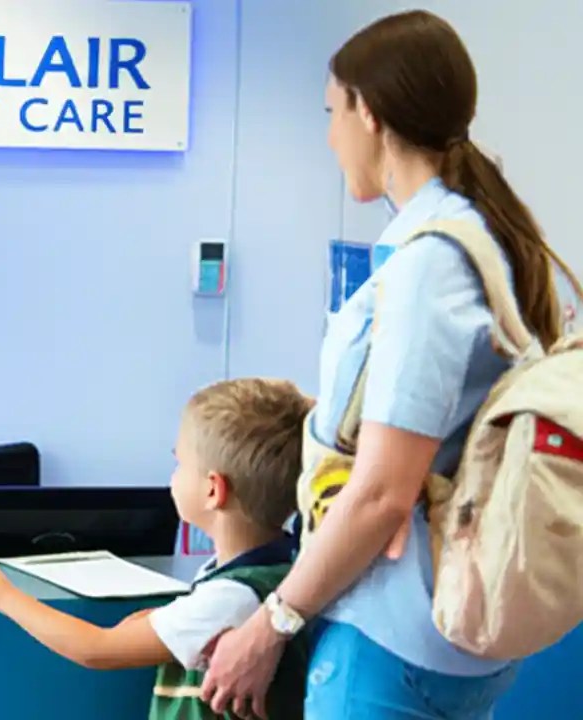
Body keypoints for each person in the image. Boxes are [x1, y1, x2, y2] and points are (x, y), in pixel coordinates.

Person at [199, 11, 576, 718]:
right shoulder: (489, 241)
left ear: (368, 114)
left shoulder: (430, 266)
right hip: (445, 631)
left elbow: (381, 494)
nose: (329, 135)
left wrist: (270, 624)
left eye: (332, 112)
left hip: (390, 634)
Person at [0, 378, 312, 719]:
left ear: (213, 490)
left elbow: (96, 650)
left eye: (180, 463)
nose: (174, 475)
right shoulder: (272, 570)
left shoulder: (231, 598)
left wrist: (2, 595)